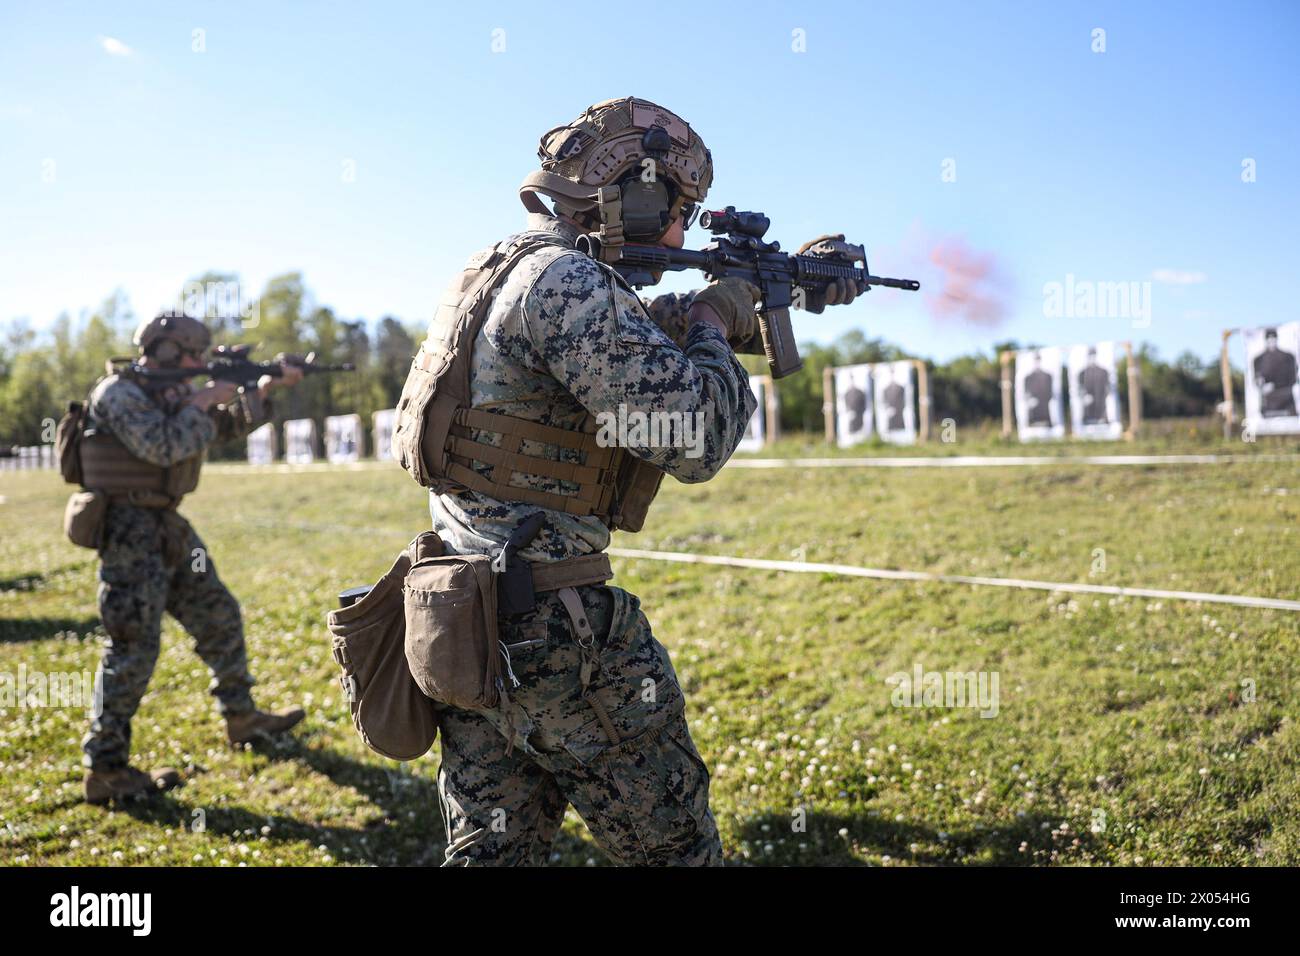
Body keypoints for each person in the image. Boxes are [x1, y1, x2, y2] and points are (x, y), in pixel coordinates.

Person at [396, 97, 864, 865]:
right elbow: (696, 438)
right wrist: (714, 328)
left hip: (463, 616)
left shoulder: (501, 269)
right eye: (678, 211)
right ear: (631, 193)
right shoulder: (570, 286)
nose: (681, 233)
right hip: (559, 634)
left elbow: (603, 348)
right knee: (676, 851)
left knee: (491, 854)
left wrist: (757, 297)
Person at [79, 311, 307, 804]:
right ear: (163, 352)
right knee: (132, 646)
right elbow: (164, 445)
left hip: (166, 525)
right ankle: (106, 768)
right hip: (126, 530)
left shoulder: (173, 392)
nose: (199, 364)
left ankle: (241, 717)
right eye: (192, 356)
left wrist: (260, 390)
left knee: (218, 614)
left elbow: (219, 431)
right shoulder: (117, 393)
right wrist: (207, 396)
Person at [1253, 327, 1298, 418]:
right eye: (1269, 340)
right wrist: (1259, 382)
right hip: (1268, 406)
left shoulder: (1288, 357)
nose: (1271, 342)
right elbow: (1256, 379)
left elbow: (1293, 379)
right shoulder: (1258, 359)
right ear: (1265, 341)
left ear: (1276, 339)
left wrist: (1274, 386)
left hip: (1287, 404)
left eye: (1273, 339)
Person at [1077, 347, 1111, 426]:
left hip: (1101, 407)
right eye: (1090, 356)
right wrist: (1084, 396)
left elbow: (1108, 389)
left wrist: (1102, 397)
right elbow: (1080, 389)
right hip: (1088, 410)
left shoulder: (1103, 372)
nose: (1092, 358)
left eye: (1093, 356)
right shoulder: (1082, 373)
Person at [1024, 350, 1054, 427]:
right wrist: (1030, 399)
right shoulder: (1028, 377)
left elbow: (1050, 394)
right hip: (1033, 415)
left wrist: (1039, 400)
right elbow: (1026, 394)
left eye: (1038, 360)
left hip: (1044, 413)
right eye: (1035, 361)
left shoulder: (1047, 376)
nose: (1036, 363)